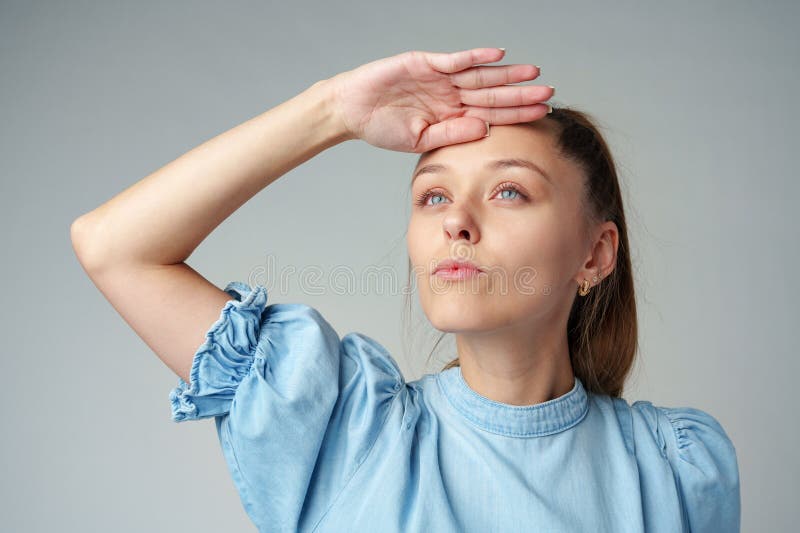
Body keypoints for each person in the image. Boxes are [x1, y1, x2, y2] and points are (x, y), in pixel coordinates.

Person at [70, 47, 741, 532]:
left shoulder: (675, 471)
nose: (456, 220)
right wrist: (331, 109)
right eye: (433, 194)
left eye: (509, 190)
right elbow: (112, 247)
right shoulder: (341, 429)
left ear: (594, 255)